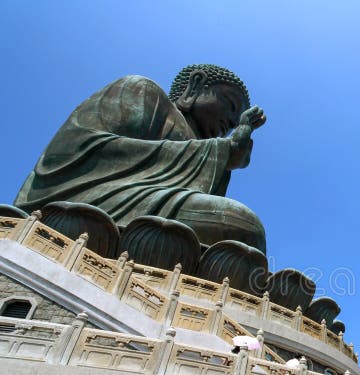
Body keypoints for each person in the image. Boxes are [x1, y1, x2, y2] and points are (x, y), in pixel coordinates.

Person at [15, 64, 267, 252]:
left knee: (240, 232)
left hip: (152, 208)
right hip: (85, 199)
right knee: (241, 225)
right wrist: (219, 151)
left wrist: (225, 151)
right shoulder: (142, 91)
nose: (233, 121)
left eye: (236, 121)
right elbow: (76, 149)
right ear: (196, 85)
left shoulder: (203, 145)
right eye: (231, 105)